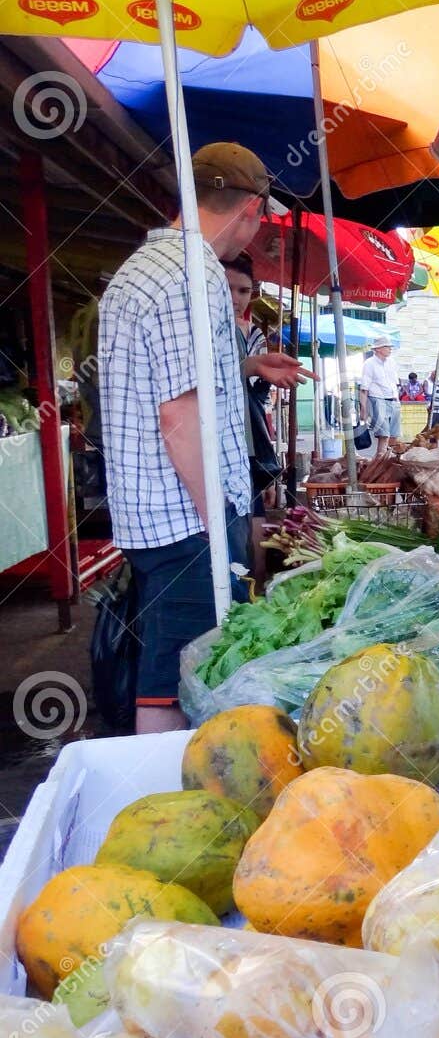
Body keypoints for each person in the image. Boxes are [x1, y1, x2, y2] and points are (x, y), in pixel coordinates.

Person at [99, 142, 306, 734]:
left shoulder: (146, 269)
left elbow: (171, 385)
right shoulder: (195, 276)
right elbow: (180, 414)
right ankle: (172, 801)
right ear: (252, 209)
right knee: (177, 679)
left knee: (175, 664)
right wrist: (217, 520)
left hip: (158, 516)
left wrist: (246, 367)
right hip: (186, 521)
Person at [221, 253, 279, 512]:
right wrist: (252, 366)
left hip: (247, 440)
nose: (234, 298)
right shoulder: (197, 331)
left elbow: (256, 397)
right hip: (213, 446)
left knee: (252, 515)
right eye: (227, 288)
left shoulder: (250, 333)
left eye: (243, 290)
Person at [359, 334, 400, 459]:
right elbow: (364, 388)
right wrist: (364, 409)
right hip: (377, 400)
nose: (390, 349)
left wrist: (397, 400)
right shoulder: (369, 364)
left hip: (393, 399)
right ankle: (380, 462)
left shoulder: (391, 362)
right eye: (387, 346)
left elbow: (395, 383)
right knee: (384, 435)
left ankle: (386, 460)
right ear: (378, 349)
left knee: (394, 434)